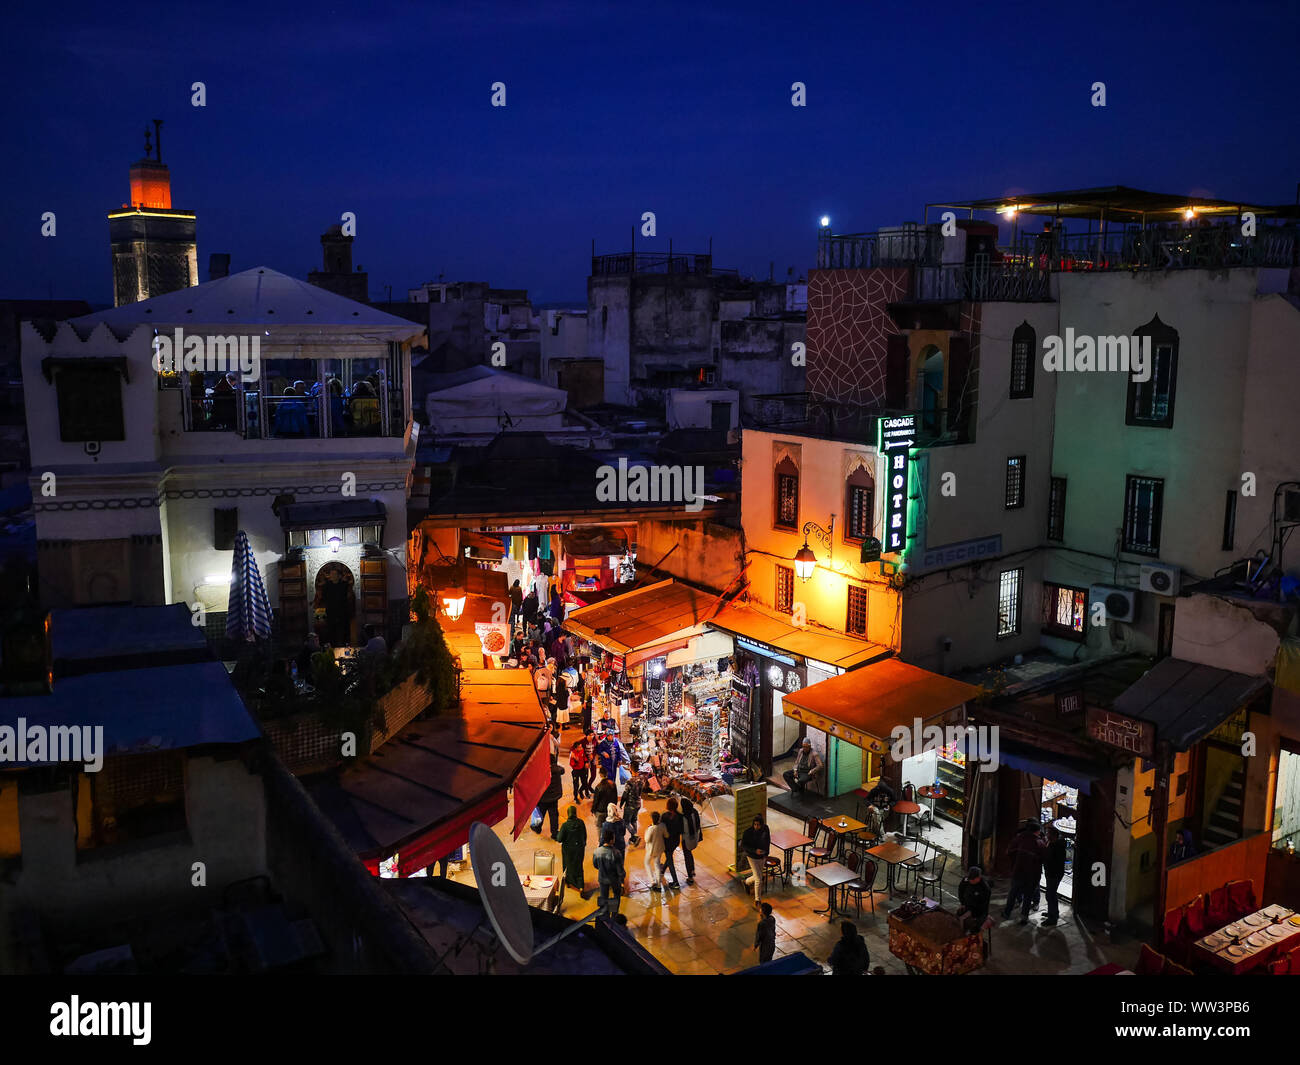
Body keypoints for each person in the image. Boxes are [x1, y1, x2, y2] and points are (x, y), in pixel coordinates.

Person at [1003, 820, 1046, 925]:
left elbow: (1009, 851)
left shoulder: (1019, 838)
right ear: (1037, 831)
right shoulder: (1040, 843)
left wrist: (1015, 863)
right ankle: (1024, 917)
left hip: (1018, 871)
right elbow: (1044, 859)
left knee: (1013, 893)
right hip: (1031, 875)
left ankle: (1007, 913)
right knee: (1028, 896)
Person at [556, 805, 588, 898]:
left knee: (568, 866)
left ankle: (569, 882)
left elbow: (559, 839)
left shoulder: (565, 825)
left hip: (568, 851)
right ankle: (581, 886)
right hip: (579, 850)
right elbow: (584, 835)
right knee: (579, 866)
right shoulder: (581, 823)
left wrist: (558, 833)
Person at [592, 828, 624, 916]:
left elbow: (595, 865)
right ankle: (614, 914)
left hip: (602, 878)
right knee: (616, 896)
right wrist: (622, 881)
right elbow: (620, 870)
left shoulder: (597, 851)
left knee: (603, 897)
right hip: (614, 880)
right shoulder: (616, 853)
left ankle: (604, 915)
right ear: (611, 840)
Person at [741, 814, 771, 908]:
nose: (756, 827)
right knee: (759, 878)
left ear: (762, 825)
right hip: (752, 856)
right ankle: (757, 900)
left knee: (758, 875)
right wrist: (755, 851)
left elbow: (768, 841)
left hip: (762, 856)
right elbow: (744, 846)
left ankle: (746, 882)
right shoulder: (748, 832)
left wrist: (766, 854)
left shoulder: (766, 829)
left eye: (758, 825)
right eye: (755, 824)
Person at [1041, 825, 1067, 927]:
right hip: (1051, 873)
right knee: (1050, 894)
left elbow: (1053, 861)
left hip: (1054, 874)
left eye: (1048, 833)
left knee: (1050, 894)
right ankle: (1052, 912)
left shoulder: (1057, 846)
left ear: (1053, 835)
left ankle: (1053, 918)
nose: (1047, 835)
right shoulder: (1052, 844)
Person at [956, 865, 992, 934]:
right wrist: (963, 903)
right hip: (967, 905)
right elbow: (961, 890)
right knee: (957, 916)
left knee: (975, 927)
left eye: (972, 879)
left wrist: (973, 914)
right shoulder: (966, 880)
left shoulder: (985, 889)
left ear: (978, 878)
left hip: (979, 911)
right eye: (969, 879)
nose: (970, 881)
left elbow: (984, 905)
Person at [659, 796, 684, 890]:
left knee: (670, 861)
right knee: (669, 857)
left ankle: (676, 881)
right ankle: (662, 869)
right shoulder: (680, 816)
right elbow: (681, 830)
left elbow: (661, 828)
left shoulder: (665, 816)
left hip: (667, 842)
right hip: (675, 841)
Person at [537, 763, 565, 838]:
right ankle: (554, 833)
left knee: (540, 814)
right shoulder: (557, 769)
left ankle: (537, 828)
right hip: (553, 797)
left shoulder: (540, 770)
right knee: (554, 816)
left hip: (543, 798)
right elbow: (563, 770)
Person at [621, 759, 645, 846]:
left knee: (626, 822)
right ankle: (633, 839)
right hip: (638, 803)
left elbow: (625, 794)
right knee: (634, 820)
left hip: (630, 804)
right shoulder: (642, 779)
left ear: (631, 768)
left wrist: (621, 804)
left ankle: (634, 835)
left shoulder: (630, 781)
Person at [643, 810, 667, 892]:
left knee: (646, 863)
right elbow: (666, 835)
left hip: (651, 850)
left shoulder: (651, 828)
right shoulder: (662, 826)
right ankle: (659, 885)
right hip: (659, 849)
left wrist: (647, 830)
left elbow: (646, 839)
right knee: (657, 865)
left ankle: (652, 881)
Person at [680, 797, 702, 884]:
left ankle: (690, 876)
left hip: (686, 839)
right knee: (690, 853)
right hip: (695, 837)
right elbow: (698, 824)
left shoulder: (683, 817)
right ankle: (692, 869)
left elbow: (681, 829)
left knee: (687, 855)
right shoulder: (694, 812)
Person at [591, 768, 618, 836]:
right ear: (607, 774)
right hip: (610, 810)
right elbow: (615, 798)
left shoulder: (598, 787)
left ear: (600, 774)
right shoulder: (613, 784)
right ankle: (608, 840)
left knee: (599, 827)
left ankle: (600, 842)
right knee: (609, 827)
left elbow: (596, 801)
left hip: (601, 811)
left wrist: (593, 810)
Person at [568, 735, 591, 801]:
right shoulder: (572, 754)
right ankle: (575, 797)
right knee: (576, 785)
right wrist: (575, 759)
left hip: (583, 770)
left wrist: (586, 762)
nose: (581, 748)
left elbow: (584, 757)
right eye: (579, 747)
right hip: (576, 771)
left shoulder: (582, 750)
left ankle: (581, 791)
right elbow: (571, 764)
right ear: (576, 748)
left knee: (585, 783)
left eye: (581, 747)